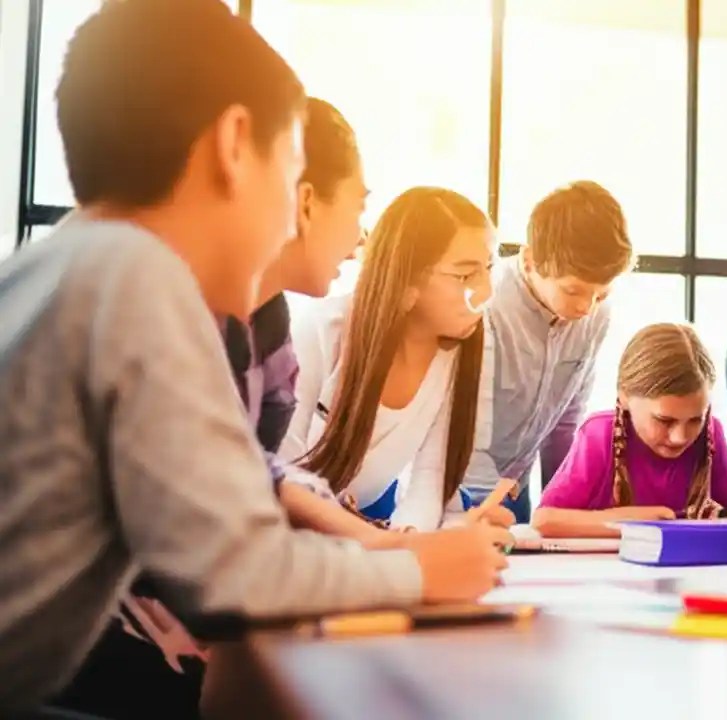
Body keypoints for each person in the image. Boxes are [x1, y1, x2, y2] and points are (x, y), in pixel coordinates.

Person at [0, 2, 508, 714]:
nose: (294, 213)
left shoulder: (55, 266)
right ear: (234, 145)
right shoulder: (137, 276)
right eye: (292, 168)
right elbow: (236, 574)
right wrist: (418, 573)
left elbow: (236, 496)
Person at [53, 96, 394, 719]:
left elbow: (250, 479)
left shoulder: (267, 322)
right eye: (360, 205)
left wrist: (376, 548)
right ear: (306, 201)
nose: (361, 236)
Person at [282, 186, 514, 532]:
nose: (486, 292)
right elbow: (280, 468)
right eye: (466, 275)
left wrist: (412, 542)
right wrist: (382, 543)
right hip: (290, 532)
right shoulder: (325, 329)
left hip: (355, 536)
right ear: (406, 280)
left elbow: (430, 480)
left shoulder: (465, 349)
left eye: (489, 268)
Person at [463, 181, 634, 523]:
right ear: (529, 260)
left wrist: (563, 505)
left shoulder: (596, 313)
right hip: (462, 485)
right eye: (573, 291)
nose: (586, 307)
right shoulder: (488, 304)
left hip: (516, 483)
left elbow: (566, 418)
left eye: (601, 294)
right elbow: (465, 420)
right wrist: (480, 509)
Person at [533, 323, 727, 537]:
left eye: (696, 420)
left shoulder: (711, 434)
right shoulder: (599, 436)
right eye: (664, 420)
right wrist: (630, 522)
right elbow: (544, 521)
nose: (680, 437)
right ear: (624, 397)